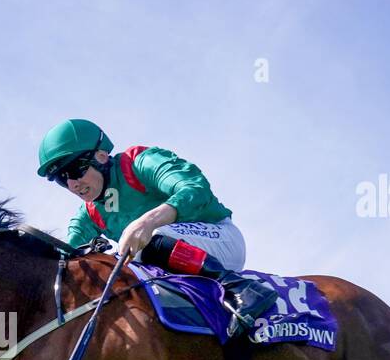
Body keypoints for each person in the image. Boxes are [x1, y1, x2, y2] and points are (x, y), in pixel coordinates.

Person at [36, 118, 277, 334]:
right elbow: (68, 258)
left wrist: (148, 221)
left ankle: (242, 287)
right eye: (61, 179)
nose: (72, 184)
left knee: (142, 244)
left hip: (220, 239)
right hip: (174, 267)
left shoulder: (139, 162)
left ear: (100, 156)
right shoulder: (88, 214)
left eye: (75, 170)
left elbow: (196, 189)